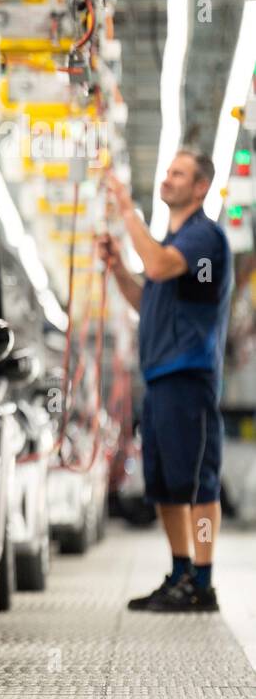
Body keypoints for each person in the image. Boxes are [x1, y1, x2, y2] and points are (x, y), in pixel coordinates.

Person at [96, 150, 232, 612]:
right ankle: (180, 572)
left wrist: (126, 210)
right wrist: (117, 268)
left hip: (188, 377)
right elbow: (144, 297)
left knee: (198, 484)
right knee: (167, 485)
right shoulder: (172, 246)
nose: (167, 178)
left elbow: (154, 266)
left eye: (178, 173)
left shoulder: (201, 239)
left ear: (200, 188)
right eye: (167, 171)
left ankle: (204, 580)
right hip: (159, 379)